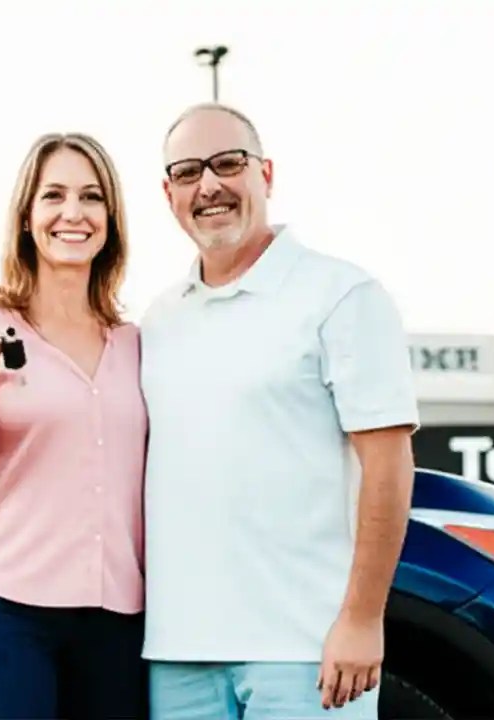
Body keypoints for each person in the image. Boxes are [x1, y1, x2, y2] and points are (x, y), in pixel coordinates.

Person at [139, 102, 420, 719]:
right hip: (178, 656)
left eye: (228, 163)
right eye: (188, 172)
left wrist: (362, 619)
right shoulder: (157, 320)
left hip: (307, 652)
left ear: (265, 174)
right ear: (168, 194)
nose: (209, 185)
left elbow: (390, 467)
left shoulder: (342, 295)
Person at [0, 132, 149, 720]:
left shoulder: (137, 343)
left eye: (92, 197)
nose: (74, 213)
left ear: (111, 219)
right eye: (54, 196)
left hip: (116, 617)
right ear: (27, 216)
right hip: (3, 608)